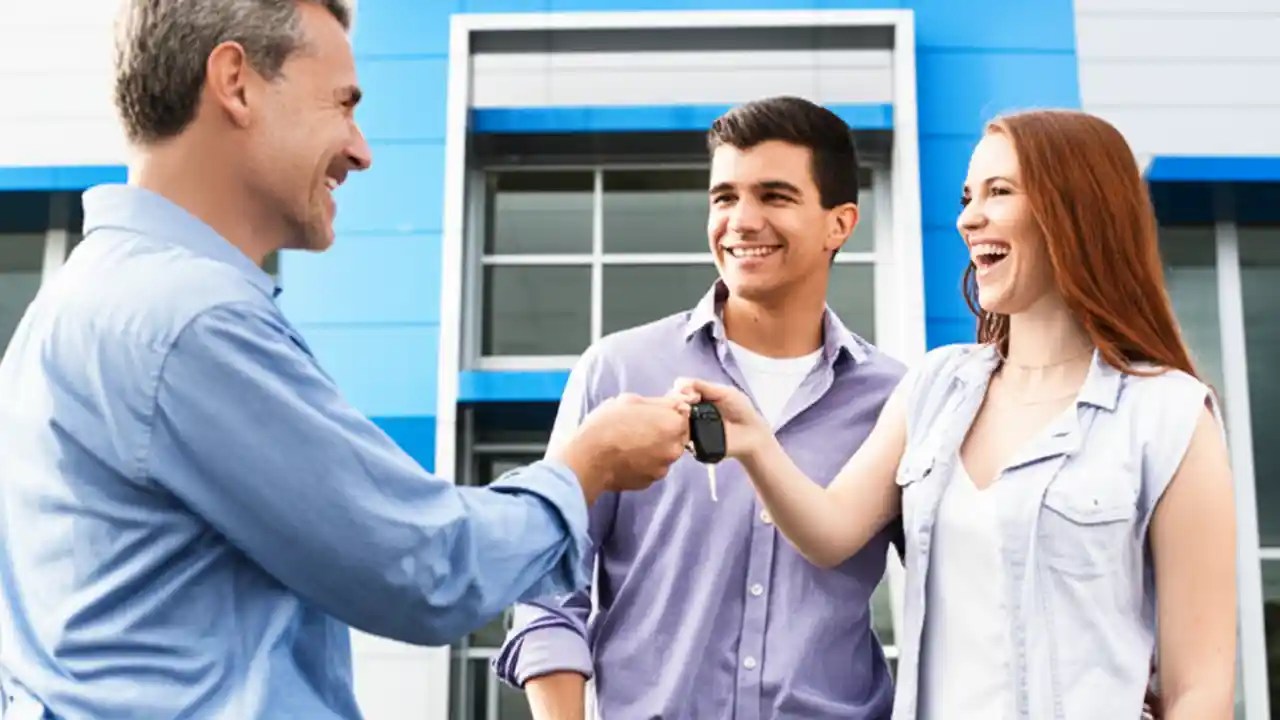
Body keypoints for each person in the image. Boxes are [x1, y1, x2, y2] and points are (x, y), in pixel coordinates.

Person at [0, 2, 691, 718]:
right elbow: (427, 569)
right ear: (236, 82)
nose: (361, 150)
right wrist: (589, 467)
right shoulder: (191, 320)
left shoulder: (71, 309)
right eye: (342, 105)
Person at [674, 109, 1238, 720]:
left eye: (1000, 192)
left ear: (1079, 209)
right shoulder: (937, 385)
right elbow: (830, 532)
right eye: (969, 196)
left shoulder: (1170, 415)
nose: (970, 218)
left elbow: (1198, 690)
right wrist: (755, 443)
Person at [491, 96, 908, 719]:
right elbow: (550, 587)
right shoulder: (621, 371)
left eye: (774, 196)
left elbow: (952, 598)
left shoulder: (896, 400)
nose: (741, 221)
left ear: (840, 224)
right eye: (724, 197)